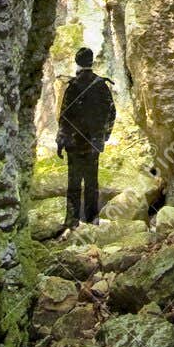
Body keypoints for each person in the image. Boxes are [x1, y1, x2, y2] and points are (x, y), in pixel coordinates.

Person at [56, 48, 116, 228]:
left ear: (77, 61)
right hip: (93, 143)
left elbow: (65, 117)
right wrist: (104, 136)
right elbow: (111, 111)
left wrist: (60, 141)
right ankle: (92, 218)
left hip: (74, 143)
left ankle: (72, 220)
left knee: (73, 182)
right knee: (92, 181)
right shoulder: (101, 85)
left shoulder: (73, 86)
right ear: (92, 62)